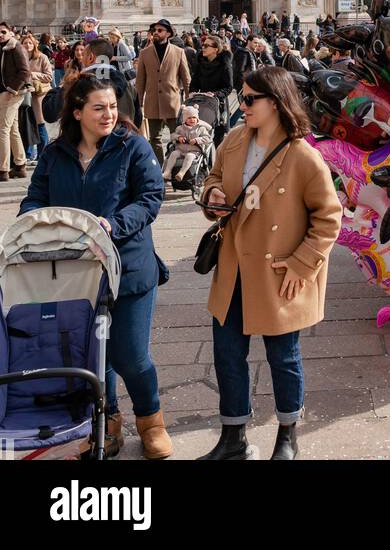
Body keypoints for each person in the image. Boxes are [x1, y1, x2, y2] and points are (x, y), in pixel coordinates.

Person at [19, 73, 171, 458]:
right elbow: (36, 198)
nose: (109, 115)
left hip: (129, 266)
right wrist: (32, 223)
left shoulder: (132, 146)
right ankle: (108, 421)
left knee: (129, 354)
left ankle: (151, 418)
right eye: (99, 108)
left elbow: (152, 196)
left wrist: (112, 225)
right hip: (75, 270)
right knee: (91, 352)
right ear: (77, 112)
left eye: (113, 108)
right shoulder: (56, 154)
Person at [198, 67, 342, 461]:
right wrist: (212, 196)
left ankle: (287, 434)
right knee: (226, 355)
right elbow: (212, 178)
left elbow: (329, 217)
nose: (241, 106)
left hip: (278, 272)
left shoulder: (302, 155)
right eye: (241, 98)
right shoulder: (233, 140)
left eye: (249, 100)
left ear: (275, 103)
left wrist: (302, 264)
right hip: (233, 268)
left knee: (283, 357)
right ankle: (233, 437)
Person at [135, 19, 191, 165]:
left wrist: (189, 100)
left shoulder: (178, 52)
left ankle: (173, 167)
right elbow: (140, 81)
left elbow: (186, 78)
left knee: (177, 137)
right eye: (154, 30)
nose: (156, 33)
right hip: (152, 102)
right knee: (154, 138)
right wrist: (138, 103)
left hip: (172, 102)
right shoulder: (144, 53)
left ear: (168, 33)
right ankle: (158, 168)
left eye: (160, 30)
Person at [0, 22, 32, 181]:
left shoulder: (16, 47)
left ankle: (3, 169)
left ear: (10, 32)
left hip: (13, 93)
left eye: (3, 31)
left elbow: (25, 71)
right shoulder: (4, 48)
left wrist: (12, 90)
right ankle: (20, 165)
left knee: (2, 129)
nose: (0, 34)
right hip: (6, 92)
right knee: (12, 128)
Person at [20, 29, 53, 160]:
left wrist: (33, 75)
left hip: (38, 96)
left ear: (34, 45)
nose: (27, 45)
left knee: (40, 125)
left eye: (30, 43)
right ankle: (28, 155)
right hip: (24, 96)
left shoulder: (42, 57)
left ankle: (42, 154)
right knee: (26, 126)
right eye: (25, 43)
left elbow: (49, 76)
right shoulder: (20, 58)